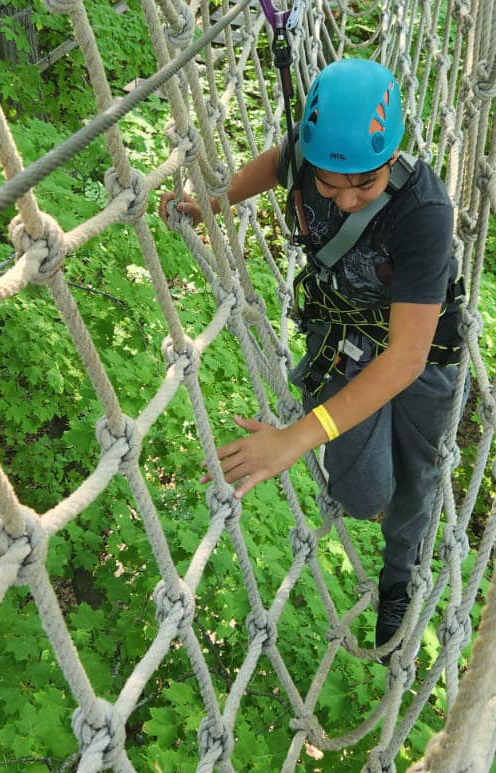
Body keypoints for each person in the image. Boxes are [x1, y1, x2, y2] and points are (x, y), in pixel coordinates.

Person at [160, 58, 464, 655]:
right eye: (330, 185)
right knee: (362, 495)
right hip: (347, 346)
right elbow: (276, 166)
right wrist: (215, 202)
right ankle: (382, 493)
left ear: (391, 162)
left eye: (366, 185)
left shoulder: (423, 212)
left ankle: (400, 575)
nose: (347, 200)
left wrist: (297, 437)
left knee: (420, 476)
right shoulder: (305, 156)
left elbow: (406, 358)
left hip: (423, 355)